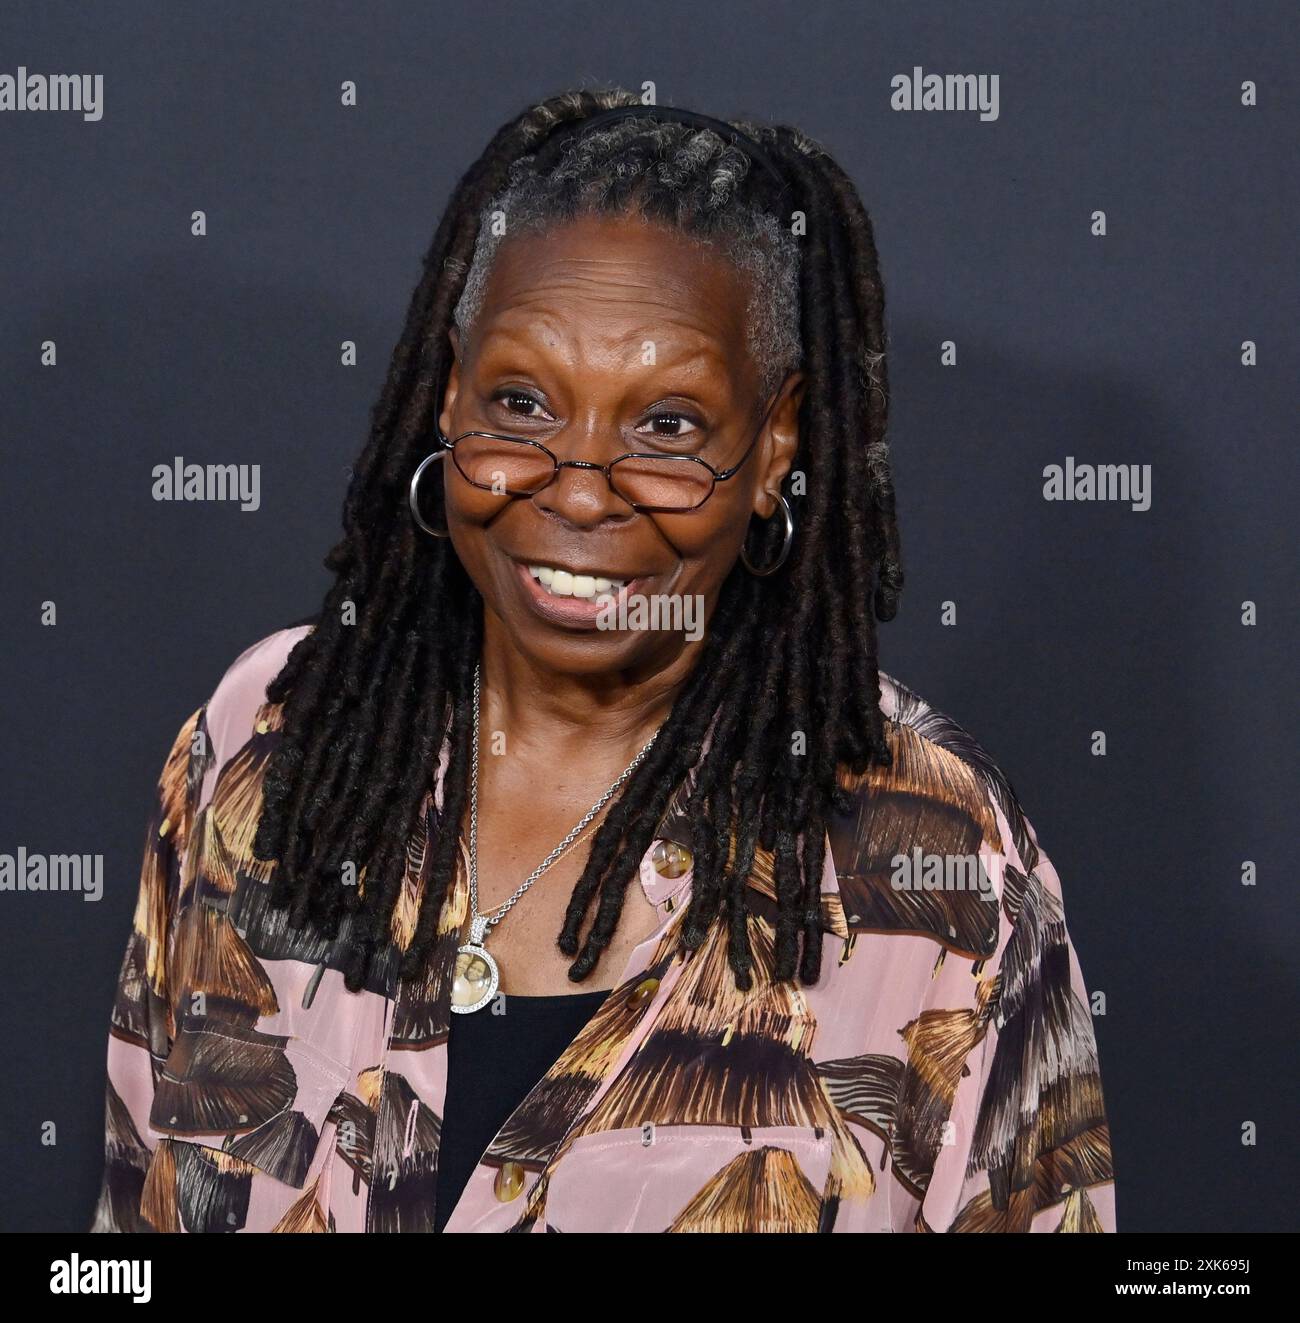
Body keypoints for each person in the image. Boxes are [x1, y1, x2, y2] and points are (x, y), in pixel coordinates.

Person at [91, 87, 1115, 1233]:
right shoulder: (268, 740)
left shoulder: (937, 865)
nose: (577, 487)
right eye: (520, 401)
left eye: (666, 425)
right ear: (447, 392)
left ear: (776, 442)